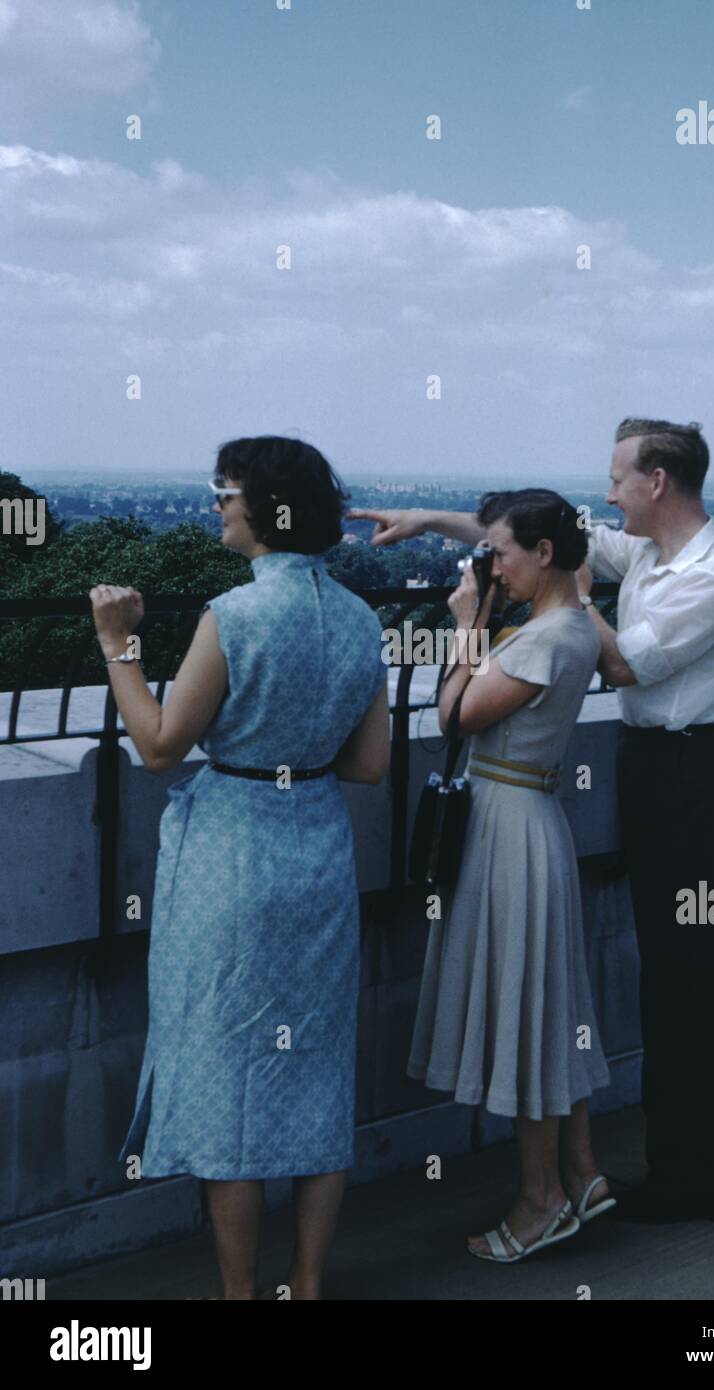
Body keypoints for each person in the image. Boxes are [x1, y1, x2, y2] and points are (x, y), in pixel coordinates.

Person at [350, 418, 714, 1223]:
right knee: (668, 978)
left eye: (616, 479)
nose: (604, 495)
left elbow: (624, 662)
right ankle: (673, 1162)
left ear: (657, 484)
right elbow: (530, 540)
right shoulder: (646, 553)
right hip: (653, 772)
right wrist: (436, 523)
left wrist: (562, 585)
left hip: (695, 780)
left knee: (697, 979)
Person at [90, 436, 389, 1300]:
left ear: (264, 509)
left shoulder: (236, 614)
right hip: (318, 856)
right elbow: (368, 766)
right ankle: (307, 1280)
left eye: (224, 492)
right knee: (316, 1069)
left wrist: (119, 643)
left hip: (232, 856)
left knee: (231, 1076)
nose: (216, 505)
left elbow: (157, 746)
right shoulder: (361, 619)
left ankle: (238, 1295)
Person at [406, 489, 614, 1263]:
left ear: (544, 553)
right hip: (530, 818)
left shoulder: (543, 640)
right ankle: (583, 1174)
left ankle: (541, 1201)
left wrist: (466, 627)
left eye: (500, 552)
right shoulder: (572, 626)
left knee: (524, 1015)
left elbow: (452, 717)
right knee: (549, 1005)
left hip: (508, 827)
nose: (490, 564)